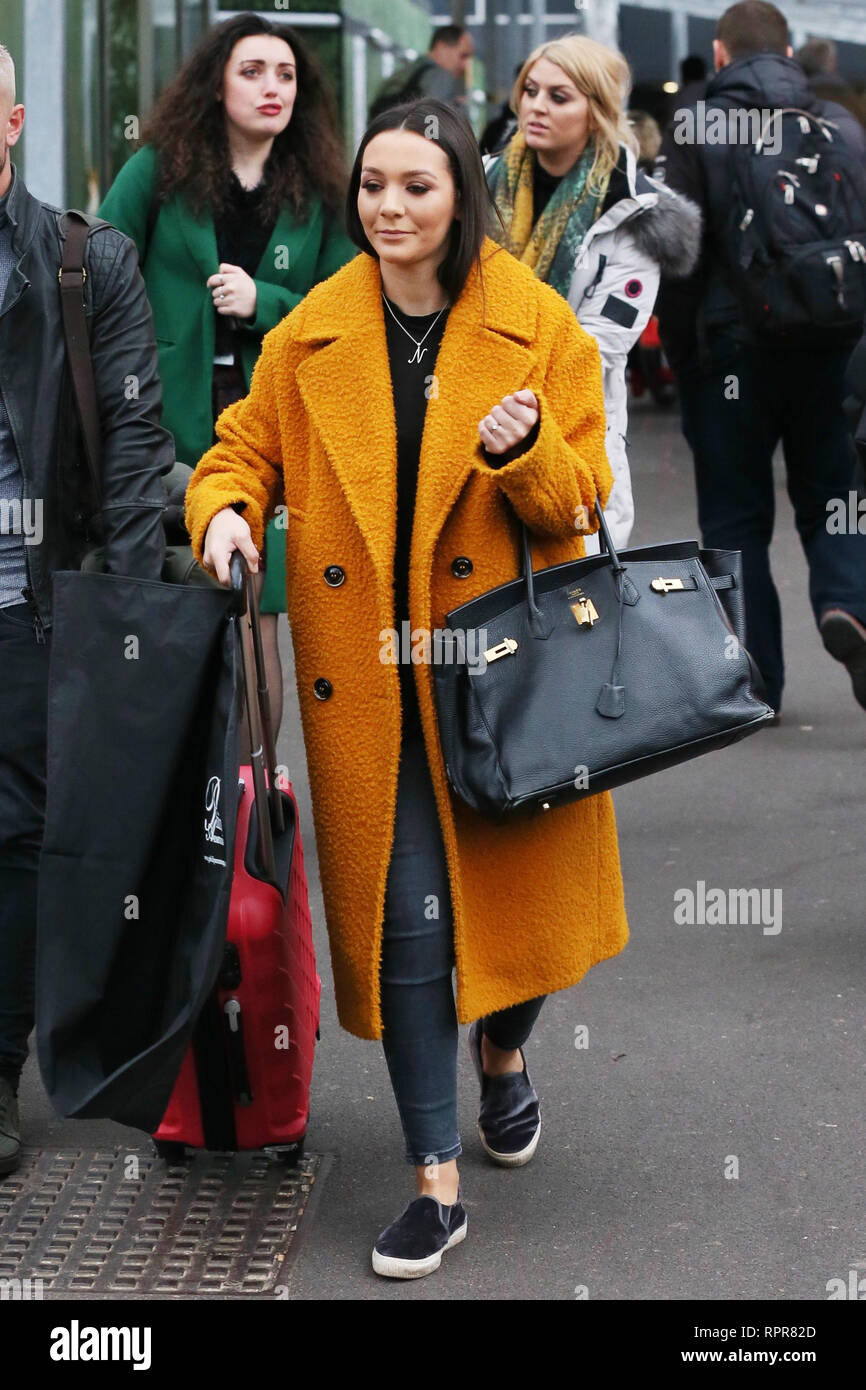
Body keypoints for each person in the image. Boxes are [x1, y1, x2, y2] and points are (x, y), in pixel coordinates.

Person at [185, 98, 630, 1279]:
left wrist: (523, 452)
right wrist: (223, 510)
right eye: (373, 186)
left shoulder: (533, 324)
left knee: (526, 937)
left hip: (502, 676)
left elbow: (583, 491)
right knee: (411, 932)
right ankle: (433, 1179)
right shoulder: (314, 331)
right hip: (371, 693)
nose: (388, 207)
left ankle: (503, 1056)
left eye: (415, 188)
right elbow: (242, 447)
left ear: (457, 199)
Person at [0, 43, 173, 1174]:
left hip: (30, 606)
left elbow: (135, 450)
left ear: (10, 123)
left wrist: (122, 625)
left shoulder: (83, 261)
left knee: (15, 841)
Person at [98, 12, 356, 741]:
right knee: (174, 608)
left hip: (270, 436)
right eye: (252, 72)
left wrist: (265, 302)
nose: (271, 88)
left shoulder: (321, 186)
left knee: (258, 617)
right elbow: (99, 268)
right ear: (216, 85)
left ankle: (253, 800)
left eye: (285, 75)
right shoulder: (158, 166)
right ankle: (179, 805)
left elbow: (345, 312)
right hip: (162, 427)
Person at [654, 0, 866, 716]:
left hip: (734, 351)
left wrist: (682, 357)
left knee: (737, 516)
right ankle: (849, 603)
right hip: (831, 343)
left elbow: (676, 253)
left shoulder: (696, 123)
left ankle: (756, 676)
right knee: (834, 496)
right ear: (792, 51)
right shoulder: (838, 125)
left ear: (720, 54)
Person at [483, 35, 701, 551]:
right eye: (531, 90)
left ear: (596, 110)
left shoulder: (635, 211)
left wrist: (499, 374)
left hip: (573, 431)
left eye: (559, 97)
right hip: (464, 421)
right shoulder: (479, 181)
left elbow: (599, 346)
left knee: (573, 605)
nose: (536, 106)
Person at [368, 24, 474, 122]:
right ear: (442, 47)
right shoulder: (438, 74)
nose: (465, 65)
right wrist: (459, 109)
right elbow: (436, 126)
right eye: (463, 56)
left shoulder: (413, 71)